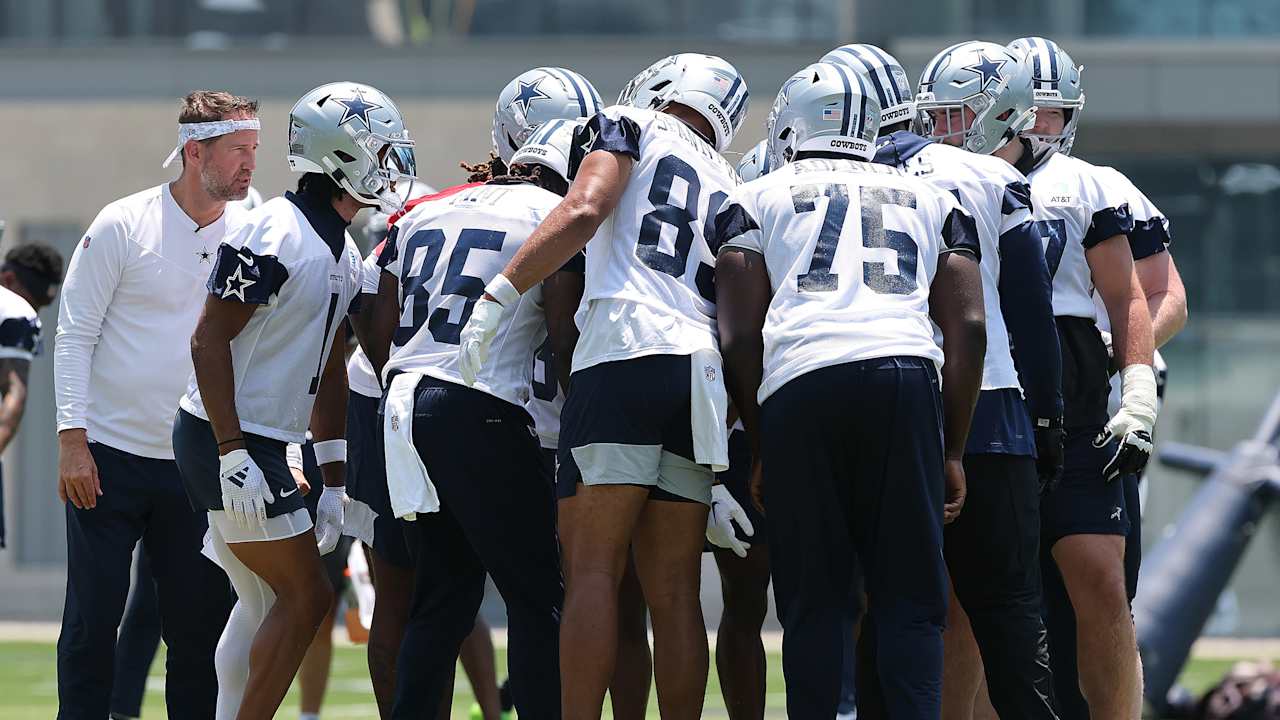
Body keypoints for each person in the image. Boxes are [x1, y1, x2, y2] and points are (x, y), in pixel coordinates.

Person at [457, 52, 750, 719]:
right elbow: (738, 310)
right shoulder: (732, 180)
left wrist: (503, 291)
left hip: (623, 348)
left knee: (593, 572)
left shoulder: (623, 121)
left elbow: (586, 208)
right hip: (698, 375)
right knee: (675, 591)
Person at [714, 61, 986, 719]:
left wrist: (762, 438)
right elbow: (970, 326)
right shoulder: (934, 196)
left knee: (815, 599)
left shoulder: (755, 197)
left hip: (801, 383)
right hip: (903, 375)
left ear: (791, 127)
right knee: (911, 600)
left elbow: (738, 337)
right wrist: (951, 449)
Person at [171, 81, 413, 720]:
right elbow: (207, 341)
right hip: (226, 435)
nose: (391, 169)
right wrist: (230, 451)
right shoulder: (273, 232)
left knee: (260, 605)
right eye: (379, 153)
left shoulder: (343, 244)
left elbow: (336, 366)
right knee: (306, 598)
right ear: (337, 156)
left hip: (264, 440)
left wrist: (333, 478)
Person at [865, 40, 1062, 719]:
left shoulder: (866, 165)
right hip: (992, 405)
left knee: (889, 606)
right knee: (1009, 608)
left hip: (889, 395)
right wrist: (1049, 418)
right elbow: (1032, 315)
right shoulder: (998, 183)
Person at [54, 90, 257, 720]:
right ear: (194, 153)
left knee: (197, 632)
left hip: (194, 464)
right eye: (237, 151)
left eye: (255, 149)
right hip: (107, 461)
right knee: (93, 621)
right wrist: (71, 441)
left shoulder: (256, 226)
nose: (251, 164)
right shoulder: (122, 222)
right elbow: (74, 332)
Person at [971, 37, 1157, 719]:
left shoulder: (1089, 183)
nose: (1038, 124)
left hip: (1073, 388)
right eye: (1028, 109)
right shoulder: (953, 176)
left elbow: (1133, 294)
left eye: (1051, 110)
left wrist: (1135, 388)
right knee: (985, 595)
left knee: (1102, 582)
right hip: (986, 385)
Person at [362, 156, 568, 720]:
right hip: (481, 405)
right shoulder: (555, 212)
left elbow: (367, 307)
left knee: (441, 601)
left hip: (403, 403)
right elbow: (562, 326)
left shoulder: (424, 210)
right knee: (537, 598)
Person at [510, 118, 657, 720]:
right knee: (651, 598)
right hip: (677, 371)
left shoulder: (542, 212)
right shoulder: (702, 179)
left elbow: (565, 332)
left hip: (562, 415)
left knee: (575, 585)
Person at [0, 242, 63, 549]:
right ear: (9, 280)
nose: (34, 311)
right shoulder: (14, 310)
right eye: (32, 300)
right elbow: (15, 391)